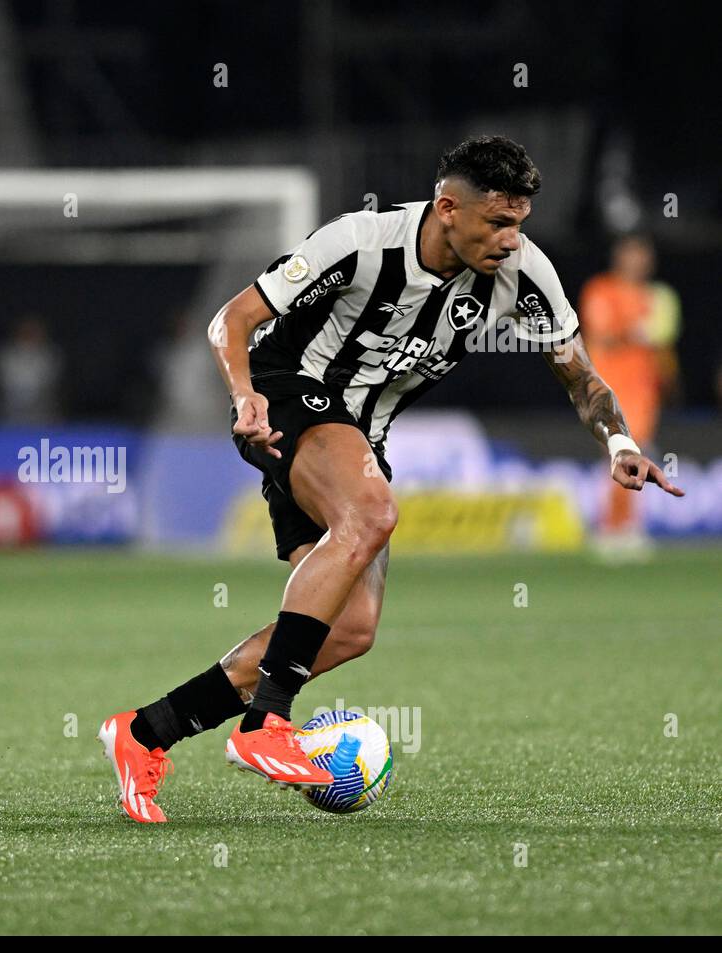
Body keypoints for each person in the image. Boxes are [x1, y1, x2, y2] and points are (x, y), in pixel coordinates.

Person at [99, 136, 684, 823]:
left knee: (348, 629)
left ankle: (144, 732)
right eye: (497, 222)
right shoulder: (361, 241)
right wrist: (244, 396)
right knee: (373, 512)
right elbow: (232, 320)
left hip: (361, 433)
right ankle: (267, 726)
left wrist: (617, 440)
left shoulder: (524, 273)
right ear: (447, 208)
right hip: (288, 397)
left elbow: (580, 374)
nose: (510, 239)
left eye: (519, 222)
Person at [579, 234, 681, 559]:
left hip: (643, 391)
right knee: (620, 455)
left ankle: (625, 526)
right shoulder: (601, 289)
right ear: (619, 257)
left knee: (636, 455)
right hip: (609, 389)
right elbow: (604, 335)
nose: (640, 261)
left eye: (644, 255)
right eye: (633, 254)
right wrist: (638, 331)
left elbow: (662, 347)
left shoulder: (656, 297)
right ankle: (612, 528)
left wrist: (667, 378)